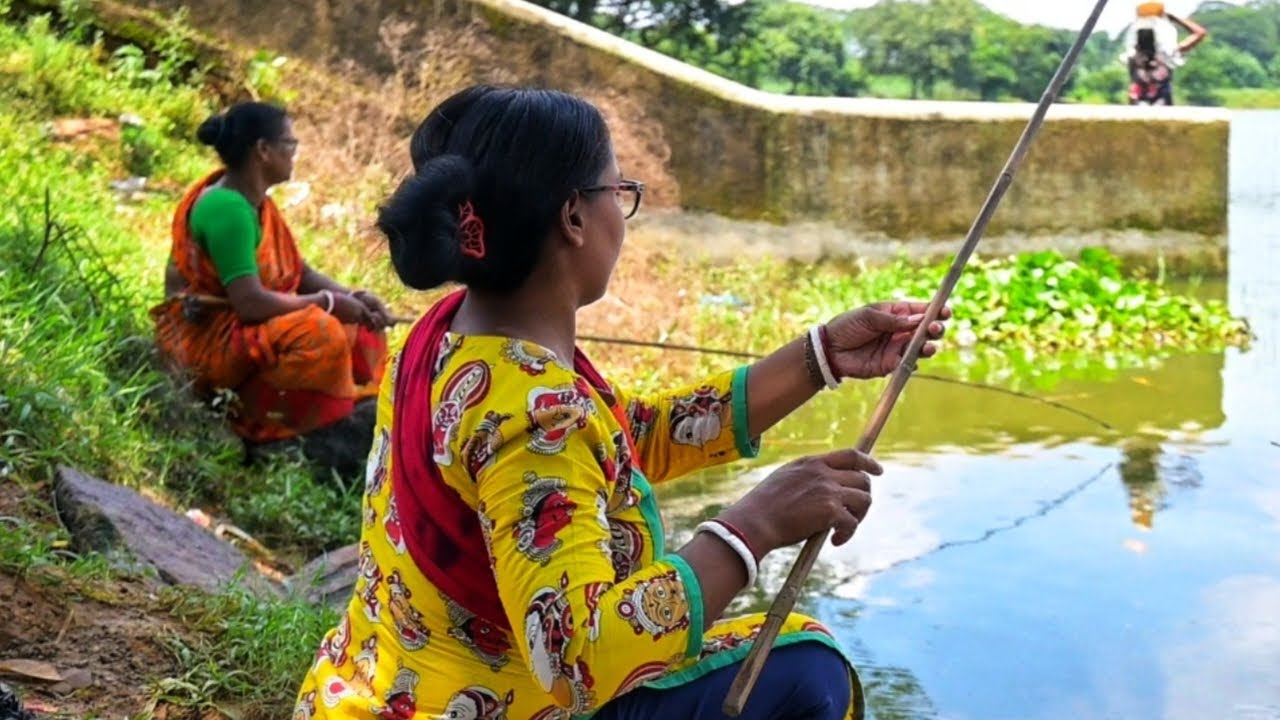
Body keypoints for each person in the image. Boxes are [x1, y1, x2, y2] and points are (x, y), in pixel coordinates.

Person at [293, 85, 949, 720]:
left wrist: (822, 356)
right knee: (806, 666)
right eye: (619, 190)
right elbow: (575, 661)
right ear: (573, 217)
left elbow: (625, 438)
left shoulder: (443, 341)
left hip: (359, 697)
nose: (622, 212)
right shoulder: (540, 414)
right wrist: (752, 528)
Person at [149, 102, 392, 467]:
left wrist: (355, 298)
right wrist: (327, 303)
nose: (294, 153)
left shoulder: (255, 203)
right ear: (262, 150)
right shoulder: (228, 210)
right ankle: (262, 426)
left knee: (362, 326)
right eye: (290, 144)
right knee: (321, 332)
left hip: (242, 325)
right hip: (207, 337)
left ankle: (339, 408)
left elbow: (301, 274)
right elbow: (249, 304)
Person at [1123, 2, 1207, 105]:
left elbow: (1200, 33)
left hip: (1139, 107)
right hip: (1161, 107)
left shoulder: (1132, 55)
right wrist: (1174, 18)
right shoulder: (1168, 55)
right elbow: (1200, 33)